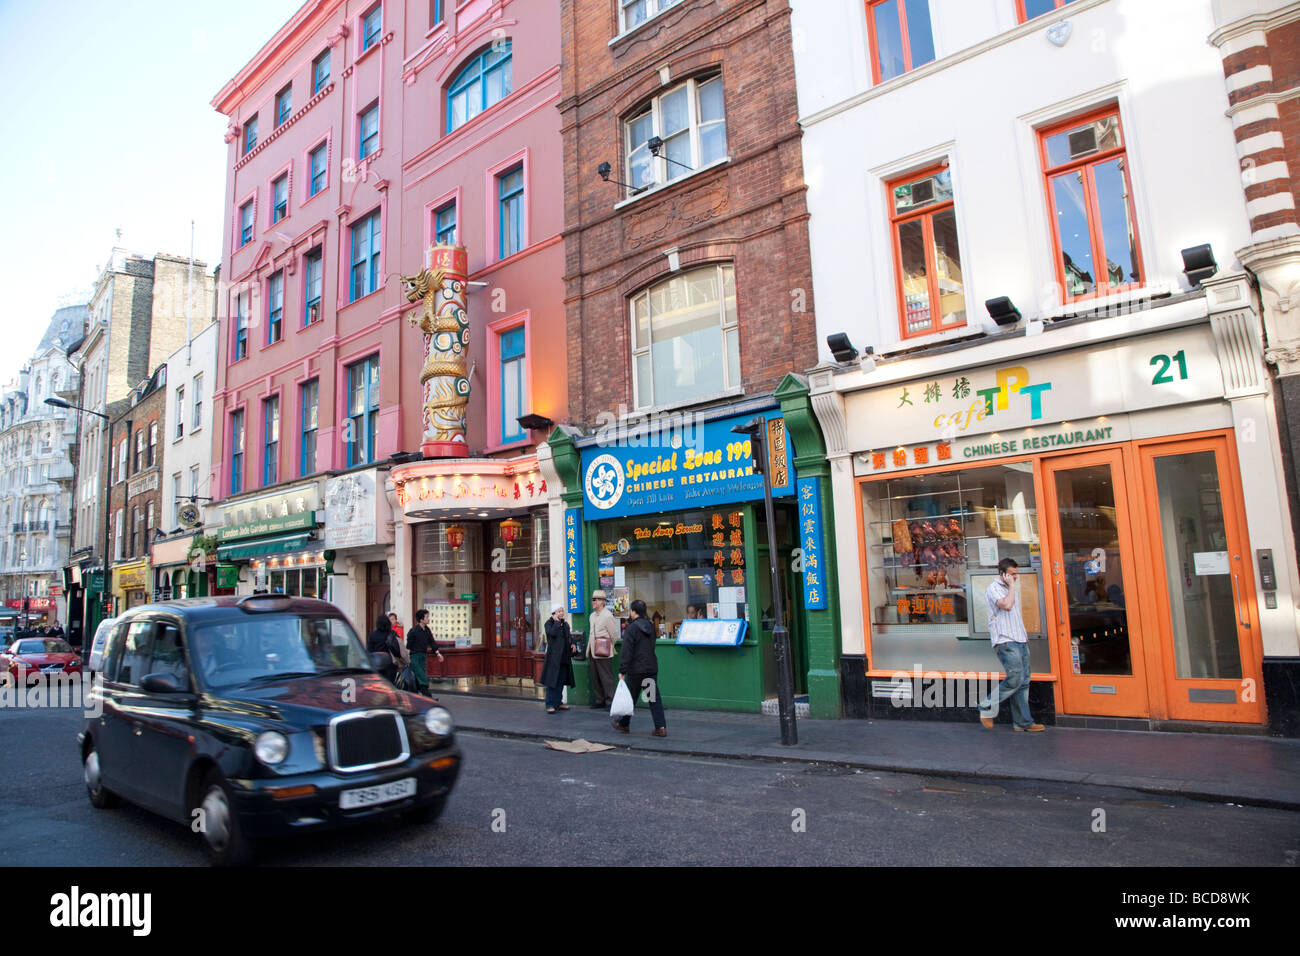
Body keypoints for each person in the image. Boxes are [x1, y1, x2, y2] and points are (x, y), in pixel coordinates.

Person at [978, 558, 1044, 732]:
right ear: (1003, 573)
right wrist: (1012, 587)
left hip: (1019, 639)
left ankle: (1023, 723)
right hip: (1005, 640)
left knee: (1023, 682)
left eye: (1017, 574)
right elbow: (1006, 606)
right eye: (1013, 574)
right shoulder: (994, 589)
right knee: (1015, 679)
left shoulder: (1010, 588)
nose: (1016, 577)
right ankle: (986, 707)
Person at [615, 599, 667, 737]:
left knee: (630, 697)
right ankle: (660, 727)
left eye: (631, 610)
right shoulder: (651, 626)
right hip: (650, 668)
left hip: (636, 670)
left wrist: (622, 670)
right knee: (653, 698)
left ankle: (623, 724)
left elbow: (627, 651)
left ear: (634, 612)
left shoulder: (631, 628)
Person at [540, 603, 577, 714]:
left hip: (564, 657)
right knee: (552, 681)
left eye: (562, 611)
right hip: (553, 659)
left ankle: (558, 702)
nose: (561, 613)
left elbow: (569, 637)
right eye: (559, 611)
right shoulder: (549, 624)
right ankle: (549, 704)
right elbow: (551, 633)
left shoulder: (565, 624)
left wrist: (573, 644)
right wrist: (556, 622)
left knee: (561, 681)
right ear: (554, 613)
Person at [587, 589, 618, 709]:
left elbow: (614, 634)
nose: (593, 602)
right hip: (593, 651)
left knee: (606, 677)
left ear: (602, 602)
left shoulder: (607, 616)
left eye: (596, 599)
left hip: (604, 651)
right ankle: (600, 700)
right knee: (595, 677)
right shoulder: (592, 616)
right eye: (593, 599)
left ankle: (610, 700)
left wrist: (608, 646)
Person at [404, 608, 444, 695]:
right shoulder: (413, 631)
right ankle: (428, 696)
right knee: (422, 678)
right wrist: (407, 660)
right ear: (421, 620)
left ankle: (418, 697)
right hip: (414, 658)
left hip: (423, 657)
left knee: (419, 678)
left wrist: (438, 653)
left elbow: (432, 642)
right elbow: (408, 646)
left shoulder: (427, 630)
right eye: (427, 617)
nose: (428, 618)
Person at [366, 615, 405, 684]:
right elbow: (399, 647)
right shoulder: (392, 633)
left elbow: (369, 650)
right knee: (390, 685)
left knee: (379, 685)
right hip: (391, 663)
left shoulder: (373, 635)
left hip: (377, 663)